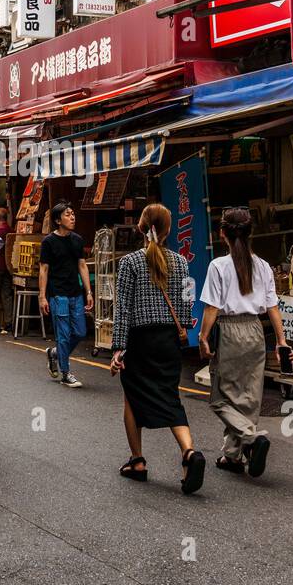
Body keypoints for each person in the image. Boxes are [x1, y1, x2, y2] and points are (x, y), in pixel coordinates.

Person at [110, 204, 205, 495]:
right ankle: (189, 452)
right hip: (168, 340)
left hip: (140, 340)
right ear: (167, 230)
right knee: (169, 396)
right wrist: (186, 325)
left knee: (132, 396)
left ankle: (137, 460)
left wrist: (118, 347)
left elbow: (123, 308)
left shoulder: (130, 262)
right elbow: (188, 302)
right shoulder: (181, 263)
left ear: (140, 227)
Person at [198, 207, 287, 478]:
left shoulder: (219, 266)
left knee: (220, 397)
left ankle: (252, 437)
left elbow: (212, 308)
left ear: (222, 234)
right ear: (250, 233)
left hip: (229, 331)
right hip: (256, 331)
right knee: (248, 397)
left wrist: (202, 338)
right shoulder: (262, 266)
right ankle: (232, 456)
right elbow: (272, 306)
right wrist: (281, 340)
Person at [39, 202, 89, 389]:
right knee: (64, 335)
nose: (73, 217)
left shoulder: (77, 240)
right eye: (68, 215)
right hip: (57, 294)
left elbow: (82, 266)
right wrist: (42, 296)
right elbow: (44, 270)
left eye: (73, 214)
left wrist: (88, 291)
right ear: (58, 220)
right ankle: (66, 373)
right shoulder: (48, 242)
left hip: (75, 293)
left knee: (80, 332)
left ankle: (54, 353)